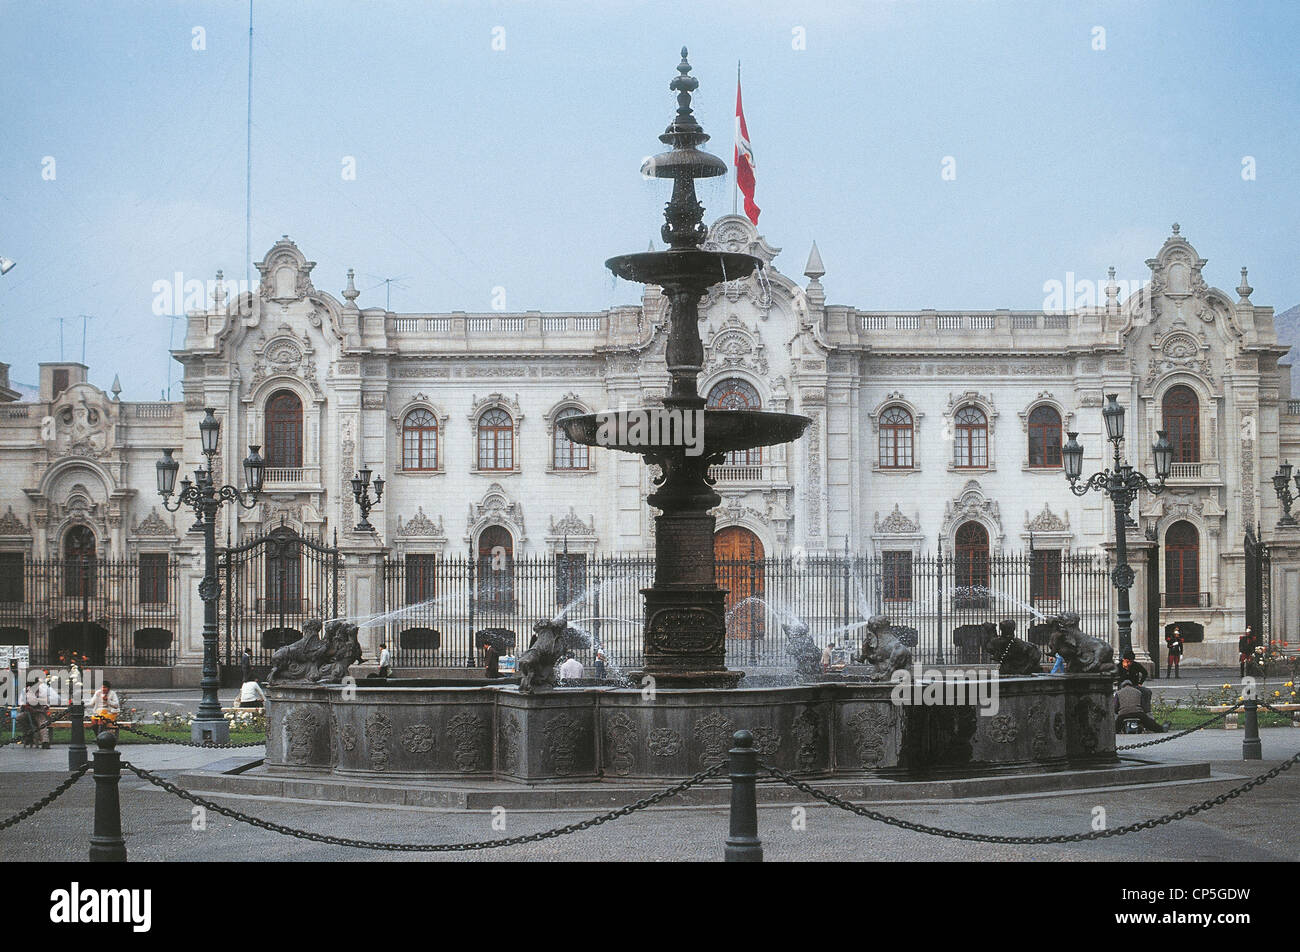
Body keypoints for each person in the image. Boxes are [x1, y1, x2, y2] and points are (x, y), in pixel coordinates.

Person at [21, 675, 58, 749]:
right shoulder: (26, 690)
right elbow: (23, 701)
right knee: (20, 718)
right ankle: (29, 734)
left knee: (42, 723)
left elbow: (46, 701)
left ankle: (45, 742)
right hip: (29, 712)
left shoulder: (42, 690)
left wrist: (38, 701)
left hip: (39, 711)